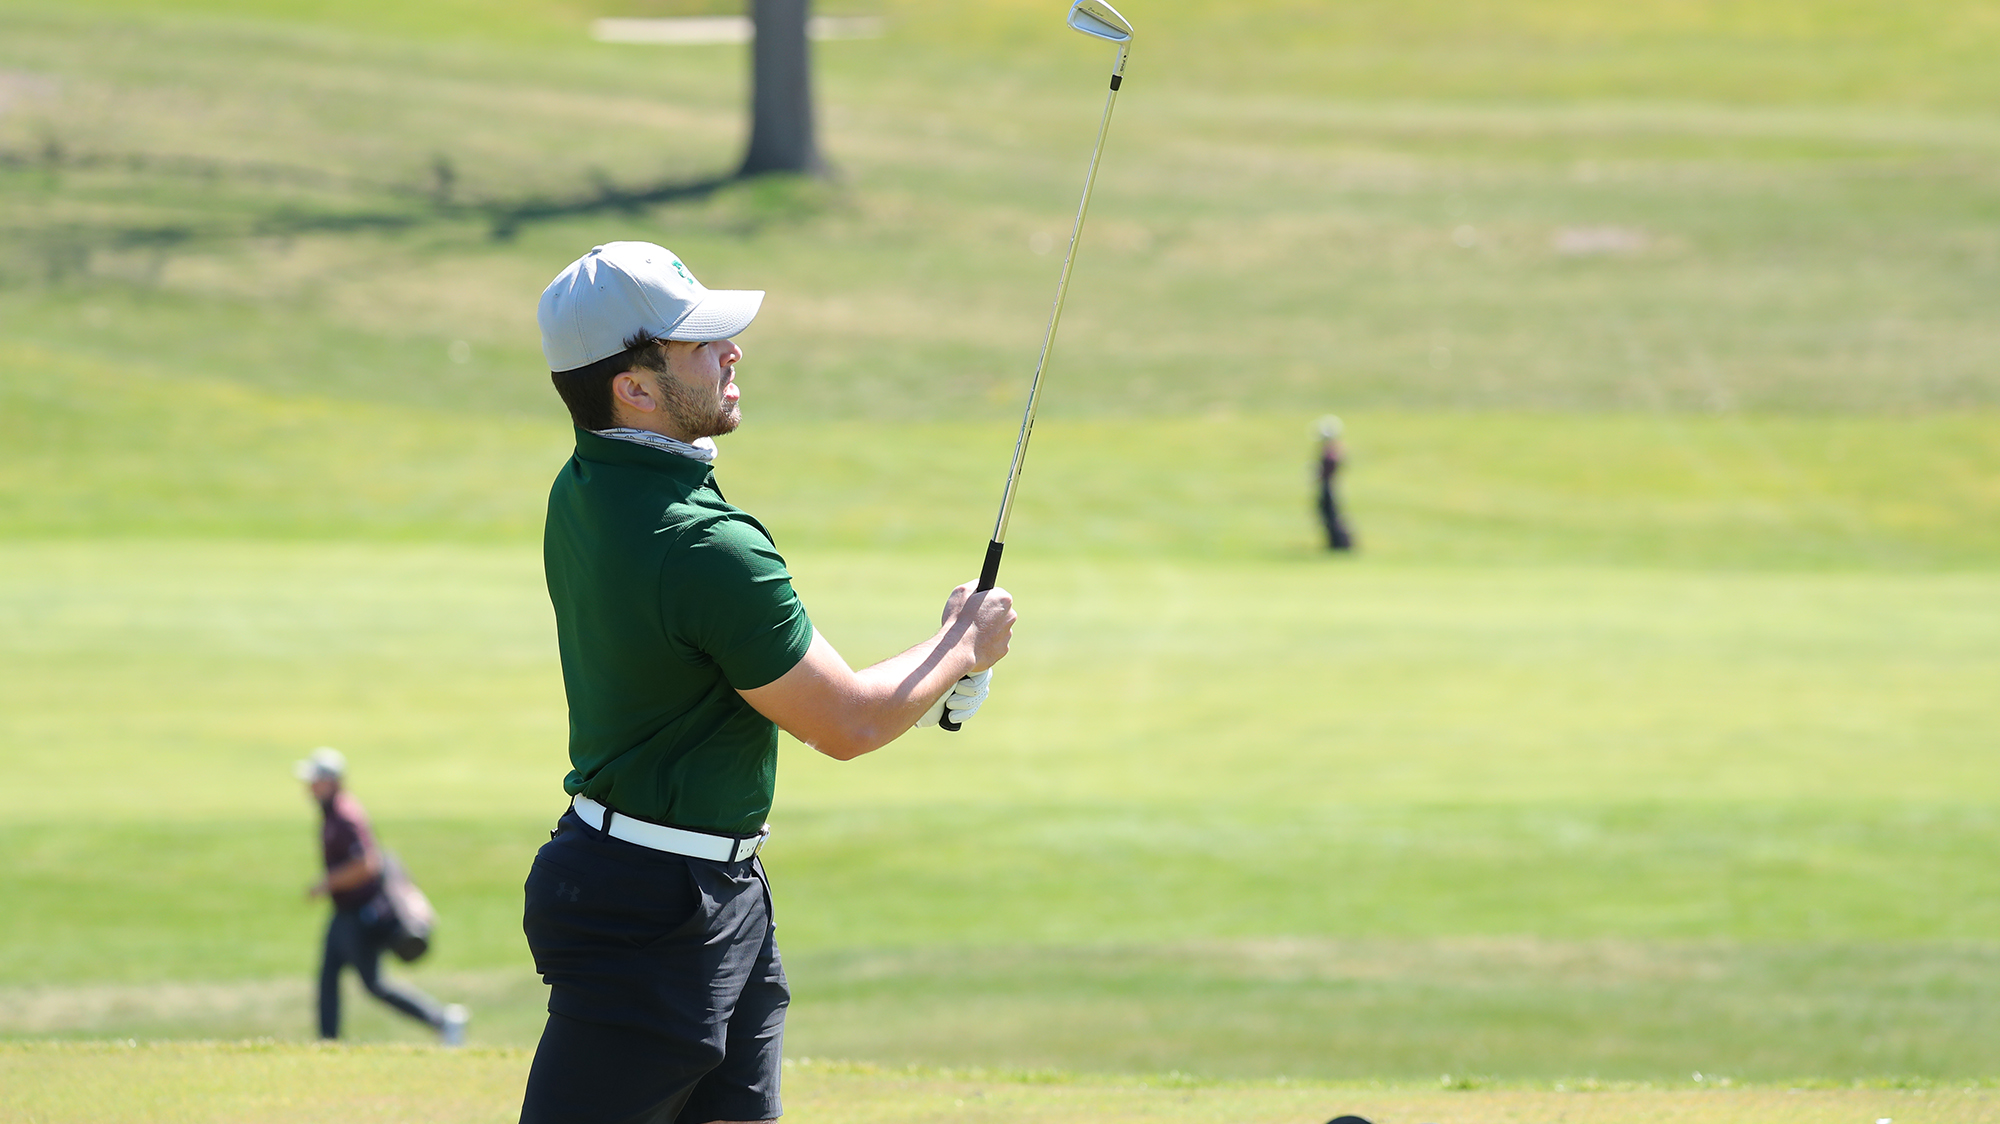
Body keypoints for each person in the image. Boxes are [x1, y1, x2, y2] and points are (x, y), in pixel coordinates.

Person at [519, 241, 1015, 1124]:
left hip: (699, 891)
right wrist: (960, 645)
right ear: (632, 386)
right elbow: (848, 723)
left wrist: (949, 654)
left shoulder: (584, 483)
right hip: (653, 910)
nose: (733, 351)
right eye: (702, 343)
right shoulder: (705, 546)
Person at [296, 746, 469, 1045]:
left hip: (360, 914)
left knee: (374, 984)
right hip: (345, 911)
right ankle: (327, 1041)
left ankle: (441, 1020)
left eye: (315, 780)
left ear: (332, 781)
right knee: (328, 976)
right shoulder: (331, 813)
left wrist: (326, 883)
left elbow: (367, 864)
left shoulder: (344, 816)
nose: (309, 787)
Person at [1314, 415, 1355, 552]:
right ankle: (1334, 544)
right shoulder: (1329, 450)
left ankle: (1340, 544)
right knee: (1326, 514)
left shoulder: (1332, 451)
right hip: (1326, 486)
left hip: (1329, 486)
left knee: (1331, 514)